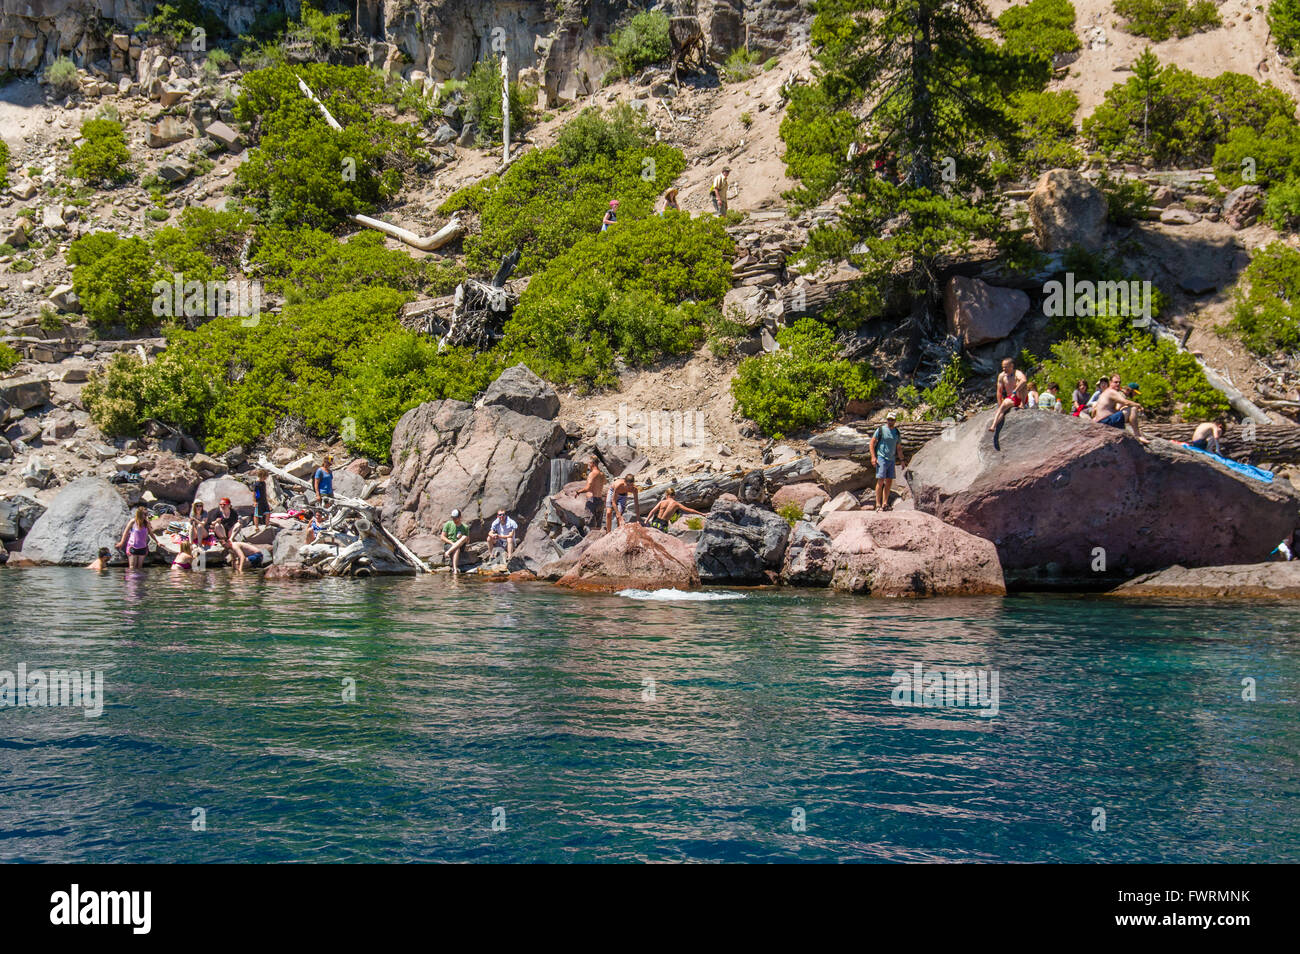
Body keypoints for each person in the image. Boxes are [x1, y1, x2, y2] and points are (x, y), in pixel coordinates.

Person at [1091, 375, 1149, 444]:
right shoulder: (1112, 392)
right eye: (1115, 382)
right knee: (1133, 408)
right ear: (1110, 382)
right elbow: (1125, 402)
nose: (1118, 384)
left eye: (1119, 382)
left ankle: (1133, 434)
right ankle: (1138, 435)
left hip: (1101, 421)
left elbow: (1094, 409)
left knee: (1128, 409)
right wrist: (1138, 405)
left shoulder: (1105, 392)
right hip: (1106, 421)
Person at [870, 411, 905, 511]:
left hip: (891, 459)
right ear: (887, 420)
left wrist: (902, 460)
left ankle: (885, 503)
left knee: (889, 481)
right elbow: (872, 443)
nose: (890, 421)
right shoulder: (881, 430)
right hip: (881, 458)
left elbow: (898, 448)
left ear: (895, 421)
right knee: (880, 480)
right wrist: (873, 457)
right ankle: (877, 504)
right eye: (889, 419)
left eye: (892, 420)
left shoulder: (896, 432)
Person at [988, 357, 1028, 432]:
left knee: (1023, 385)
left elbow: (1024, 380)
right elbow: (999, 391)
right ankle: (993, 426)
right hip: (1011, 399)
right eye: (1003, 367)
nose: (1004, 369)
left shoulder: (1017, 373)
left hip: (1020, 396)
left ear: (1011, 366)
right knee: (1001, 408)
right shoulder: (1002, 376)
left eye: (1006, 367)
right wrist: (999, 403)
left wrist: (1015, 391)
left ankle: (1022, 404)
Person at [207, 497, 245, 565]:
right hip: (221, 533)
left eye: (224, 504)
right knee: (217, 525)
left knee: (238, 524)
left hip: (230, 532)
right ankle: (225, 541)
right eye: (220, 504)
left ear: (229, 505)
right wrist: (216, 521)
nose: (222, 506)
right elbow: (211, 524)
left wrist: (239, 521)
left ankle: (230, 539)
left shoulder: (233, 512)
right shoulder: (217, 512)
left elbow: (237, 522)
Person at [440, 508, 470, 574]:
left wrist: (461, 536)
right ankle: (455, 569)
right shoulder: (448, 524)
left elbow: (467, 541)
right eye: (453, 518)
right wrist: (452, 543)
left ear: (460, 517)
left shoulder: (465, 527)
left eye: (455, 518)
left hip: (460, 545)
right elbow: (442, 537)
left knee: (464, 537)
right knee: (457, 549)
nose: (454, 520)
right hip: (449, 545)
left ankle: (448, 552)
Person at [581, 456, 607, 529]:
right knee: (598, 525)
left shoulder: (592, 474)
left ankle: (591, 539)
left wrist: (578, 491)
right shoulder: (602, 474)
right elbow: (604, 482)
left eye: (589, 462)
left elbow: (588, 488)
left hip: (592, 501)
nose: (589, 464)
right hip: (600, 500)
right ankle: (598, 538)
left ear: (592, 463)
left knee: (590, 525)